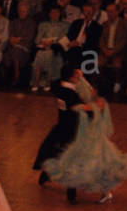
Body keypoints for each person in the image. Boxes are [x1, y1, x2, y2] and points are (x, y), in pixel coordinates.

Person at [40, 73, 127, 204]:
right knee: (95, 167)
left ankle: (103, 193)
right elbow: (86, 90)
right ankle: (104, 193)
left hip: (94, 140)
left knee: (94, 166)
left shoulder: (100, 103)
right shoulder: (96, 99)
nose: (92, 90)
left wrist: (75, 106)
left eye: (94, 88)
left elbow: (83, 108)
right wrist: (80, 77)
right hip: (88, 138)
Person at [33, 63, 94, 203]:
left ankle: (45, 175)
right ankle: (71, 194)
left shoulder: (59, 87)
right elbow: (80, 107)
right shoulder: (71, 94)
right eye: (76, 75)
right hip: (72, 130)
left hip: (62, 127)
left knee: (56, 153)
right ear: (73, 77)